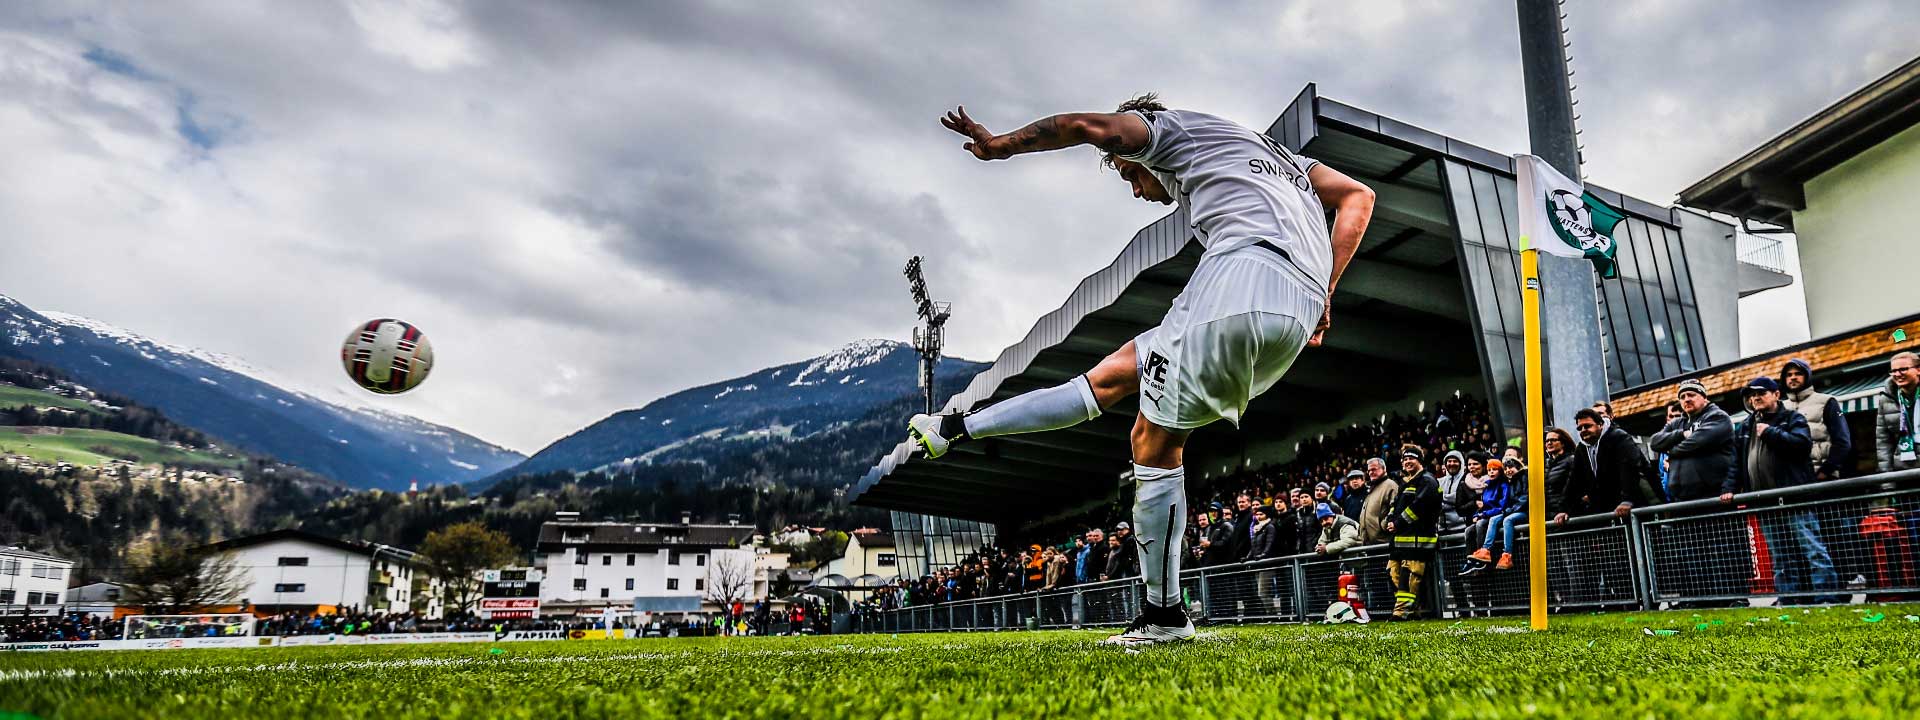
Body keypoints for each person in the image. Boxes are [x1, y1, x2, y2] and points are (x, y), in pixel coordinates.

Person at [909, 94, 1377, 645]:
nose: (1136, 188)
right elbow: (1357, 197)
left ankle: (1163, 615)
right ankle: (956, 428)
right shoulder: (1277, 156)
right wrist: (1326, 293)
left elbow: (1079, 125)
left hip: (1240, 278)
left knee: (1152, 440)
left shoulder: (1167, 128)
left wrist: (1001, 147)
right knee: (1113, 374)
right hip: (1292, 311)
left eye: (1131, 173)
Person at [1731, 377, 1838, 604]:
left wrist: (1770, 433)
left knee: (1813, 551)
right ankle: (1789, 600)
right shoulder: (1745, 426)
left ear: (1776, 395)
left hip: (1793, 498)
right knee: (1781, 557)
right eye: (1752, 395)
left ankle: (1826, 599)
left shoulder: (1792, 417)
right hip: (1764, 502)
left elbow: (1801, 445)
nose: (1755, 398)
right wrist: (1729, 488)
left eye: (1761, 393)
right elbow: (1736, 463)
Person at [1648, 379, 1736, 504]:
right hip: (1681, 499)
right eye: (1682, 397)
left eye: (1691, 395)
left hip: (1714, 497)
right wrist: (1682, 434)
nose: (1686, 399)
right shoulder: (1676, 423)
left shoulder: (1718, 417)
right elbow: (1655, 442)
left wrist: (1671, 451)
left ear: (1704, 398)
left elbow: (1695, 443)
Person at [1564, 408, 1660, 517]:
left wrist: (1627, 499)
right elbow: (1574, 479)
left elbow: (1629, 467)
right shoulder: (1581, 448)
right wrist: (1564, 509)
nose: (1583, 430)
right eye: (1580, 428)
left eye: (1587, 426)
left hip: (1634, 504)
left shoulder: (1619, 437)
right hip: (1606, 507)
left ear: (1600, 424)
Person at [1384, 445, 1440, 620]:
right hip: (1399, 542)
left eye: (1411, 458)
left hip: (1418, 541)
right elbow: (1395, 506)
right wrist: (1391, 519)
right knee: (1392, 574)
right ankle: (1413, 611)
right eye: (1405, 459)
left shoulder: (1428, 481)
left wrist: (1398, 522)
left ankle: (1401, 613)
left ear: (1419, 461)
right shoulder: (1405, 483)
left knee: (1409, 577)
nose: (1407, 462)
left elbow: (1419, 506)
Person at [1780, 359, 1853, 482]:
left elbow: (1842, 441)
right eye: (1789, 375)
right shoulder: (1780, 408)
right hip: (1792, 480)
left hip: (1822, 479)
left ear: (1807, 376)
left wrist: (1825, 471)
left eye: (1798, 373)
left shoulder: (1826, 401)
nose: (1793, 377)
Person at [1876, 352, 1920, 474]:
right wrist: (1887, 482)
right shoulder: (1886, 399)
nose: (1897, 374)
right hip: (1904, 472)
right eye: (1893, 371)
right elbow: (1883, 442)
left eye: (1903, 369)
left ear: (1918, 370)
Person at [1357, 458, 1401, 545]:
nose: (1370, 473)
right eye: (1369, 470)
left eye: (1374, 469)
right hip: (1369, 543)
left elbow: (1396, 508)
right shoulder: (1372, 487)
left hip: (1383, 542)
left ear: (1384, 469)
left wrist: (1384, 525)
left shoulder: (1390, 485)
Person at [1436, 450, 1470, 535]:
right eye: (1449, 461)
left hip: (1462, 528)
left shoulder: (1467, 480)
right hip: (1443, 529)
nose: (1452, 463)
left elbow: (1459, 499)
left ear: (1461, 463)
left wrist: (1441, 498)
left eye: (1455, 461)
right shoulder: (1439, 482)